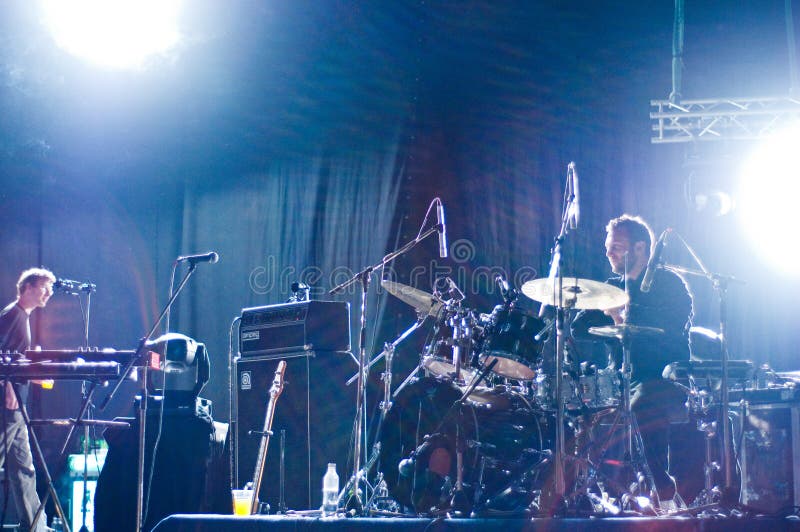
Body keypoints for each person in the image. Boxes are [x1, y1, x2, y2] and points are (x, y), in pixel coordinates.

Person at [571, 215, 692, 509]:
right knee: (577, 405)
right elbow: (577, 327)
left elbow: (672, 324)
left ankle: (662, 488)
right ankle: (597, 493)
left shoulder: (670, 284)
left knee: (640, 402)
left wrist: (622, 313)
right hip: (620, 381)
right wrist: (609, 313)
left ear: (639, 248)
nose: (608, 253)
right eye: (607, 247)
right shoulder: (610, 288)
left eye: (616, 247)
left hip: (663, 379)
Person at [0, 267, 55, 531]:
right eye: (45, 287)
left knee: (23, 468)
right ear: (28, 287)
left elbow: (16, 360)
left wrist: (35, 375)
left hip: (16, 406)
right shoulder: (14, 315)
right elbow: (3, 357)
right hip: (7, 404)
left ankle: (36, 527)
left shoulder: (21, 316)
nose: (49, 293)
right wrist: (9, 385)